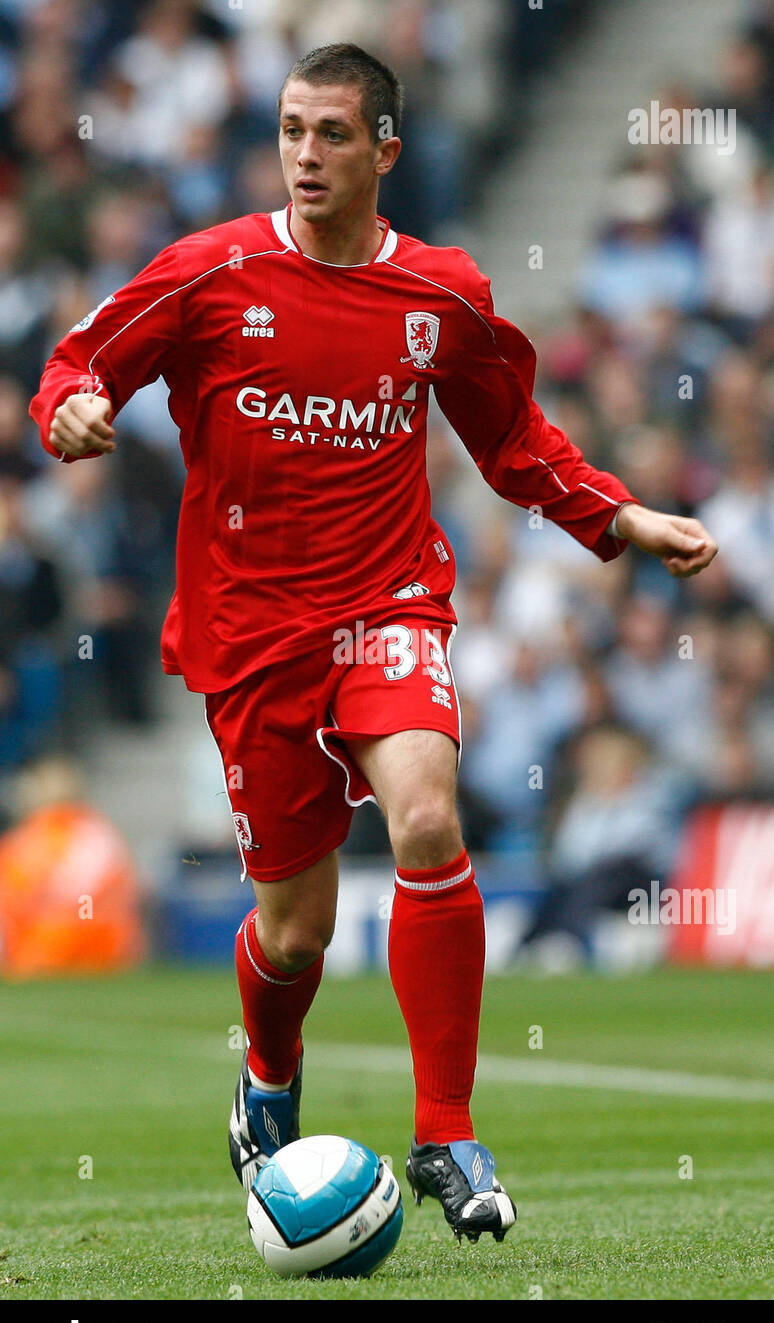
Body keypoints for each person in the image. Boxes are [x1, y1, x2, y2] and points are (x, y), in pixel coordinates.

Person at [29, 43, 718, 1244]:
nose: (305, 153)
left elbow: (517, 445)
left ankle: (446, 1131)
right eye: (293, 129)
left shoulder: (439, 295)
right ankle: (270, 1072)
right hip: (252, 637)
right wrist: (71, 407)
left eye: (333, 133)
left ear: (386, 150)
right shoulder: (212, 270)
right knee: (296, 933)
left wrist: (619, 513)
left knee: (429, 817)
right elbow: (78, 355)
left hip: (390, 603)